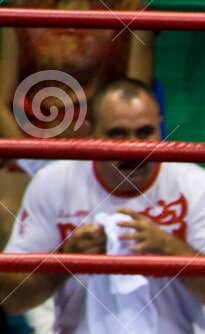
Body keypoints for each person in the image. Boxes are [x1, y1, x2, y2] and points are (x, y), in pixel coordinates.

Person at [0, 78, 205, 334]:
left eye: (144, 132)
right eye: (117, 133)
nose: (133, 147)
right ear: (91, 134)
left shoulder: (197, 187)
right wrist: (65, 260)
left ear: (160, 129)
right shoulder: (54, 183)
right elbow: (11, 301)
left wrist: (168, 248)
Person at [0, 0, 155, 247]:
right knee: (8, 214)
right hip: (30, 146)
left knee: (111, 225)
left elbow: (134, 99)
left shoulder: (130, 8)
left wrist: (98, 152)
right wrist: (26, 159)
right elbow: (1, 102)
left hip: (100, 149)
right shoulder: (21, 7)